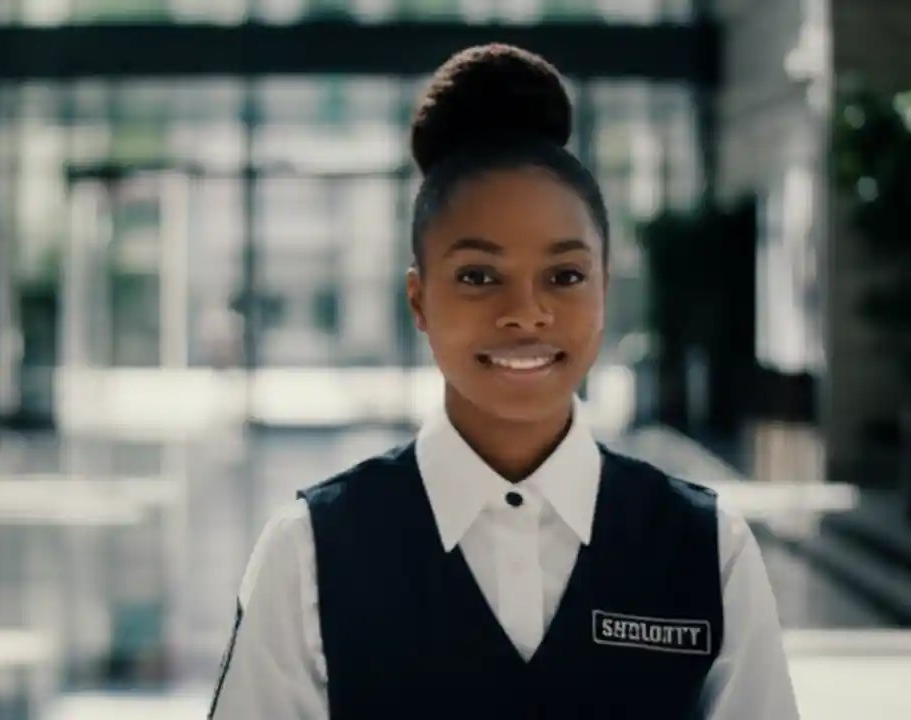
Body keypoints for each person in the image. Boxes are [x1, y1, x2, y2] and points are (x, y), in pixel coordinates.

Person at [208, 43, 799, 720]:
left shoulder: (707, 551)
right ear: (419, 300)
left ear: (605, 289)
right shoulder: (310, 553)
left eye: (565, 276)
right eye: (478, 276)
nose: (525, 312)